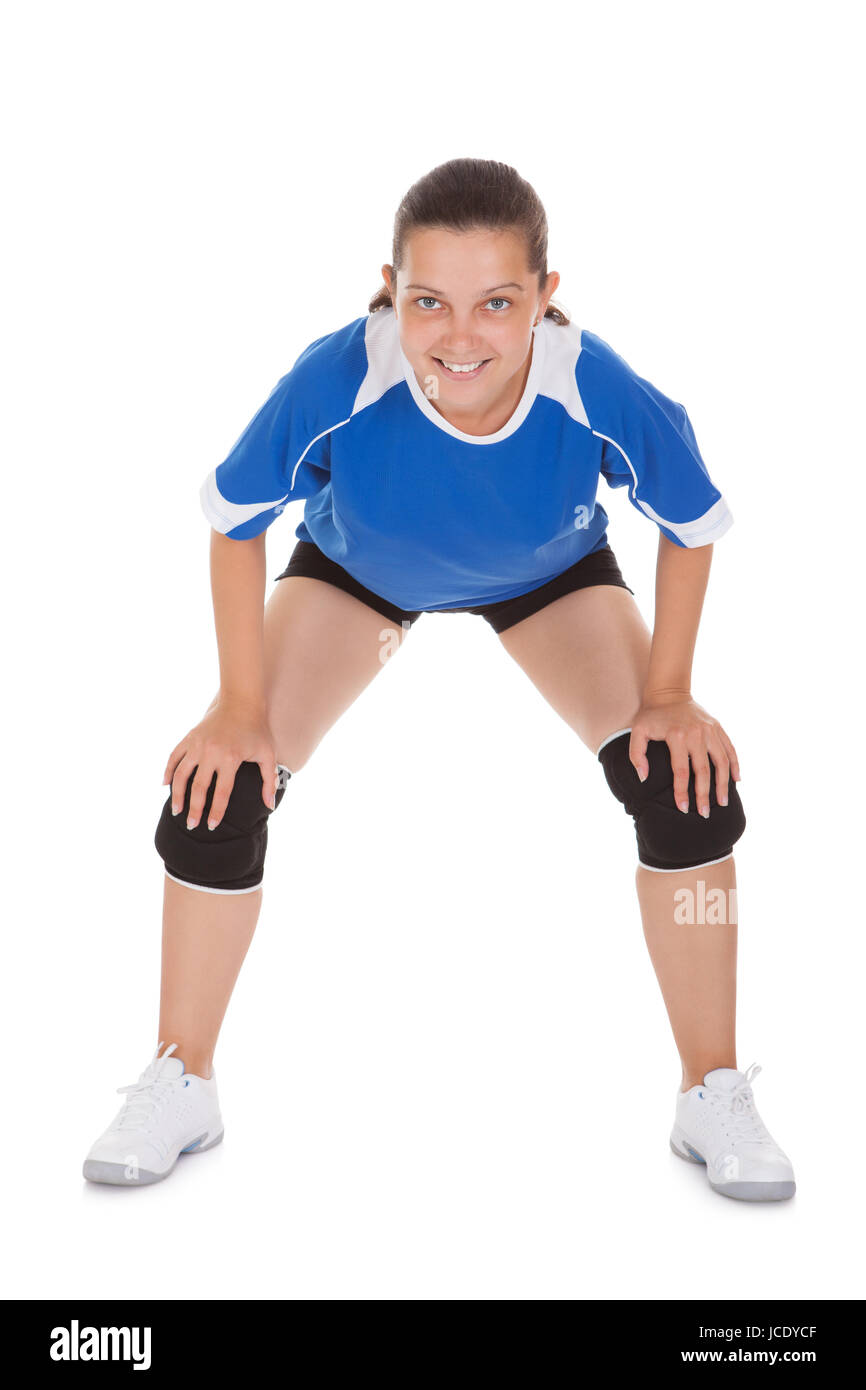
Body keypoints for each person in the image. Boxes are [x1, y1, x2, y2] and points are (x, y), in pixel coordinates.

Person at [83, 158, 795, 1201]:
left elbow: (687, 527)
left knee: (681, 784)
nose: (459, 337)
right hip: (360, 575)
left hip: (546, 576)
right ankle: (180, 1074)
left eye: (496, 303)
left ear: (546, 299)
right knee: (217, 793)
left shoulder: (591, 382)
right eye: (429, 302)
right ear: (390, 289)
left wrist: (670, 694)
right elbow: (234, 525)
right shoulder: (337, 378)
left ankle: (711, 1090)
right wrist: (237, 712)